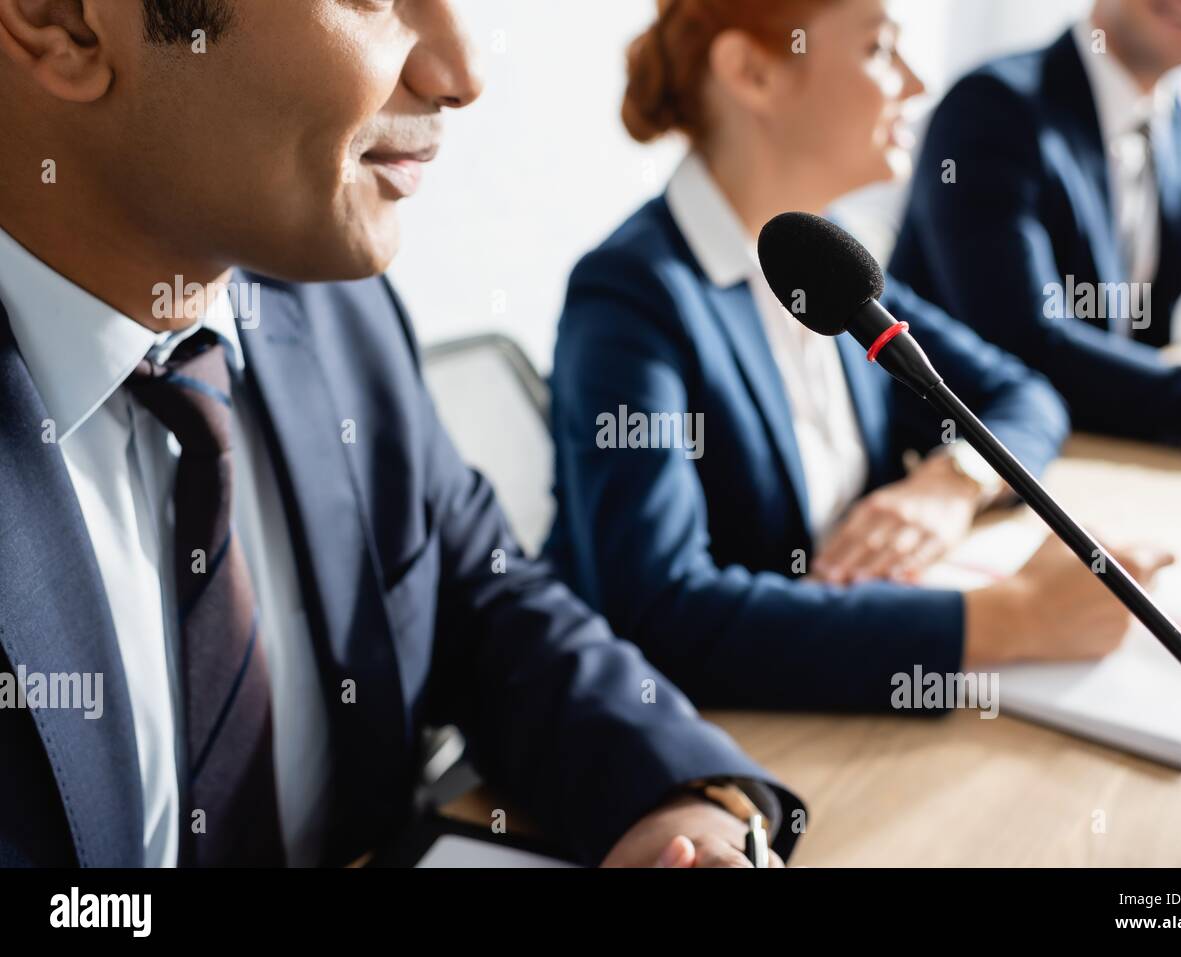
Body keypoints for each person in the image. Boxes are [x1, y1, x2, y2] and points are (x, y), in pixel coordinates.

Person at [0, 0, 801, 869]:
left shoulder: (327, 306)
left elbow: (486, 605)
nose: (461, 74)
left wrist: (680, 808)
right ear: (64, 23)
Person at [546, 0, 1173, 714]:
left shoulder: (827, 254)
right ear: (752, 73)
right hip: (710, 742)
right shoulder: (630, 298)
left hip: (843, 715)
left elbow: (1023, 393)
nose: (915, 81)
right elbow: (663, 615)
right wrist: (1010, 619)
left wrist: (952, 480)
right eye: (879, 48)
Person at [892, 0, 1181, 460]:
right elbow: (1029, 342)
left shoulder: (1170, 117)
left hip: (1105, 447)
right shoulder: (993, 107)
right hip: (968, 461)